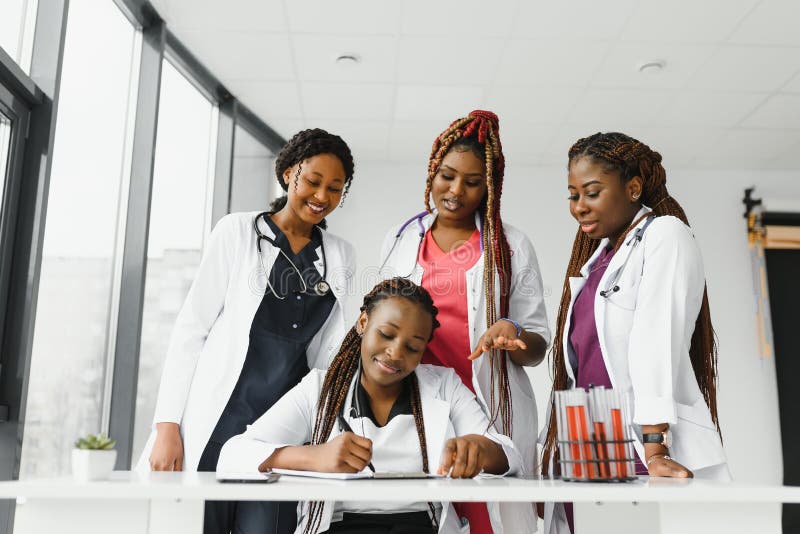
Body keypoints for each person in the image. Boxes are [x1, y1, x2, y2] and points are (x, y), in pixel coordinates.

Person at [137, 128, 357, 534]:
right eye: (313, 181)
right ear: (290, 173)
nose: (322, 196)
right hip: (216, 420)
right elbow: (191, 329)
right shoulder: (237, 232)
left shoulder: (340, 255)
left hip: (279, 433)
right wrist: (166, 424)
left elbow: (329, 352)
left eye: (335, 187)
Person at [218, 278, 522, 534]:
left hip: (422, 525)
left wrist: (479, 450)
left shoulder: (443, 385)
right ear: (363, 323)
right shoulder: (320, 388)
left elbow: (508, 454)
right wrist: (315, 457)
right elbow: (233, 455)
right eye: (386, 334)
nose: (394, 352)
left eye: (413, 347)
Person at [540, 132, 729, 534]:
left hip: (644, 439)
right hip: (590, 435)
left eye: (591, 192)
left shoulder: (665, 234)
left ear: (633, 187)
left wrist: (655, 443)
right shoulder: (597, 260)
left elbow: (655, 338)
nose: (579, 207)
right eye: (572, 195)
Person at [379, 110, 549, 532]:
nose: (456, 191)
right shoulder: (401, 239)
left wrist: (514, 333)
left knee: (495, 519)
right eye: (447, 176)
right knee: (426, 517)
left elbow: (538, 346)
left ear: (489, 188)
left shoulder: (510, 245)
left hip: (488, 405)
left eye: (473, 182)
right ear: (432, 173)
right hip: (421, 402)